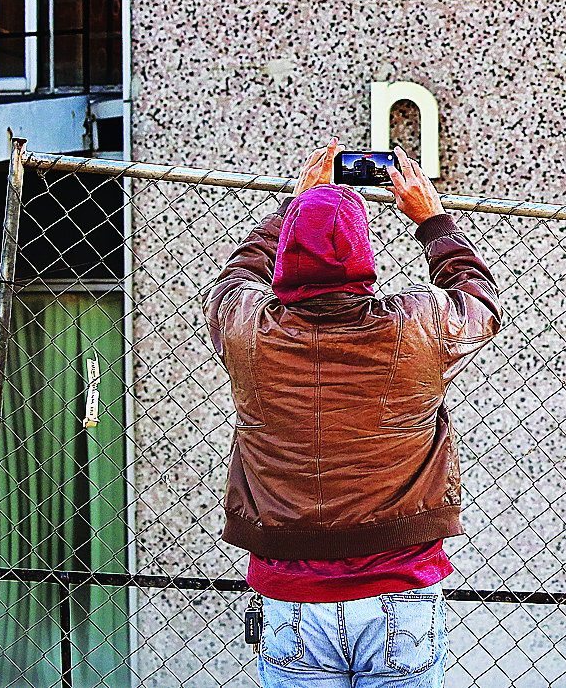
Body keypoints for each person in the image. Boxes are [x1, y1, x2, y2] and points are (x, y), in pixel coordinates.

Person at [205, 141, 501, 687]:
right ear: (363, 254)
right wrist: (433, 223)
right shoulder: (415, 323)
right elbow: (479, 302)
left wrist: (291, 210)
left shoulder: (248, 328)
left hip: (291, 593)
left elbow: (233, 281)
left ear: (288, 251)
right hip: (399, 584)